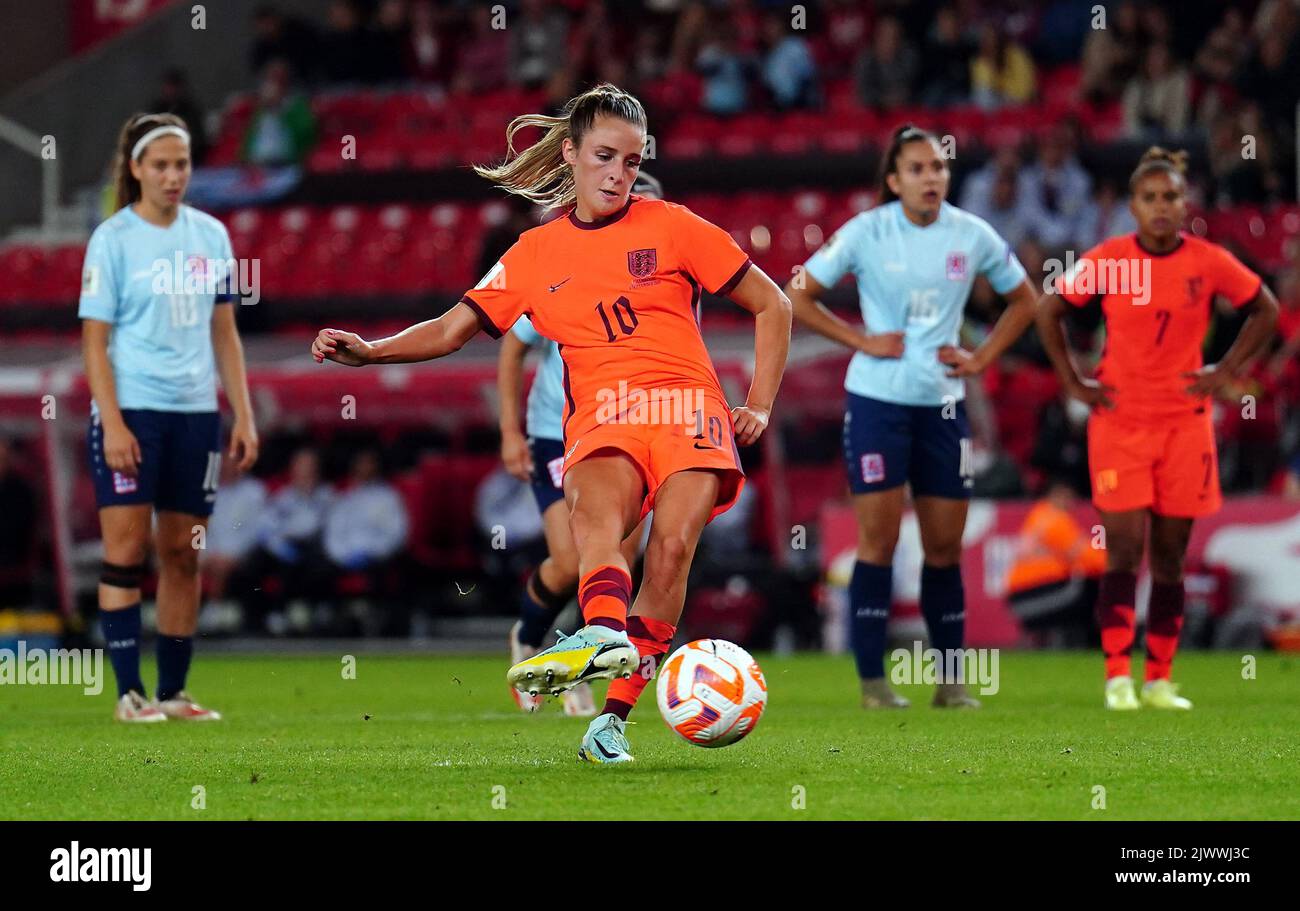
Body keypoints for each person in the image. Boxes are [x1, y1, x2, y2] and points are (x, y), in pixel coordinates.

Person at [312, 84, 791, 763]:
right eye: (604, 157)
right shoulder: (535, 253)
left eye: (632, 161)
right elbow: (454, 328)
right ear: (569, 154)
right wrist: (374, 349)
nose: (619, 175)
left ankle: (611, 721)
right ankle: (600, 631)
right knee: (595, 525)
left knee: (674, 550)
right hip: (603, 414)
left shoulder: (675, 225)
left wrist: (761, 402)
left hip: (688, 406)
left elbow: (773, 304)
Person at [784, 124, 1038, 710]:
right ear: (894, 180)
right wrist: (860, 340)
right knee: (879, 541)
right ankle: (874, 682)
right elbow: (796, 293)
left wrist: (982, 357)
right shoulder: (867, 232)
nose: (932, 177)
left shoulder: (971, 234)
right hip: (877, 402)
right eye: (918, 169)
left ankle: (949, 682)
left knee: (944, 547)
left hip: (943, 406)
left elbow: (1026, 300)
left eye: (938, 168)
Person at [1036, 147, 1279, 711]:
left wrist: (1226, 370)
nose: (1162, 207)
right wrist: (1073, 382)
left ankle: (1161, 678)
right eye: (1150, 199)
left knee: (1170, 558)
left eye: (1170, 197)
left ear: (1184, 201)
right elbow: (1049, 309)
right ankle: (1118, 675)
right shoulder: (1110, 260)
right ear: (1133, 206)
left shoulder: (1208, 260)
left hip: (1185, 426)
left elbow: (1263, 308)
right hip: (1120, 422)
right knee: (1123, 552)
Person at [80, 112, 259, 722]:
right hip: (132, 408)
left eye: (181, 164)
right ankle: (129, 692)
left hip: (194, 413)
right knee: (124, 551)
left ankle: (173, 692)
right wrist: (114, 421)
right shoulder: (113, 239)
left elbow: (225, 333)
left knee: (183, 552)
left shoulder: (211, 235)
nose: (173, 176)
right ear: (136, 170)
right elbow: (93, 341)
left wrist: (242, 412)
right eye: (160, 165)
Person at [496, 171, 664, 717]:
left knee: (617, 560)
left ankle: (582, 662)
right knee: (573, 558)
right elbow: (512, 348)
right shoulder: (569, 272)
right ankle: (529, 634)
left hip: (635, 430)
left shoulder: (672, 286)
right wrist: (510, 431)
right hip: (558, 430)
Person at [1005, 479, 1107, 646]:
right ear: (1056, 495)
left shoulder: (1039, 514)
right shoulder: (1054, 519)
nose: (1071, 504)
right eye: (1068, 498)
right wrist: (1116, 563)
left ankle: (1082, 639)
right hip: (1033, 593)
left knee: (1085, 586)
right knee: (1087, 588)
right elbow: (1087, 557)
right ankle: (1088, 641)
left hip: (1023, 595)